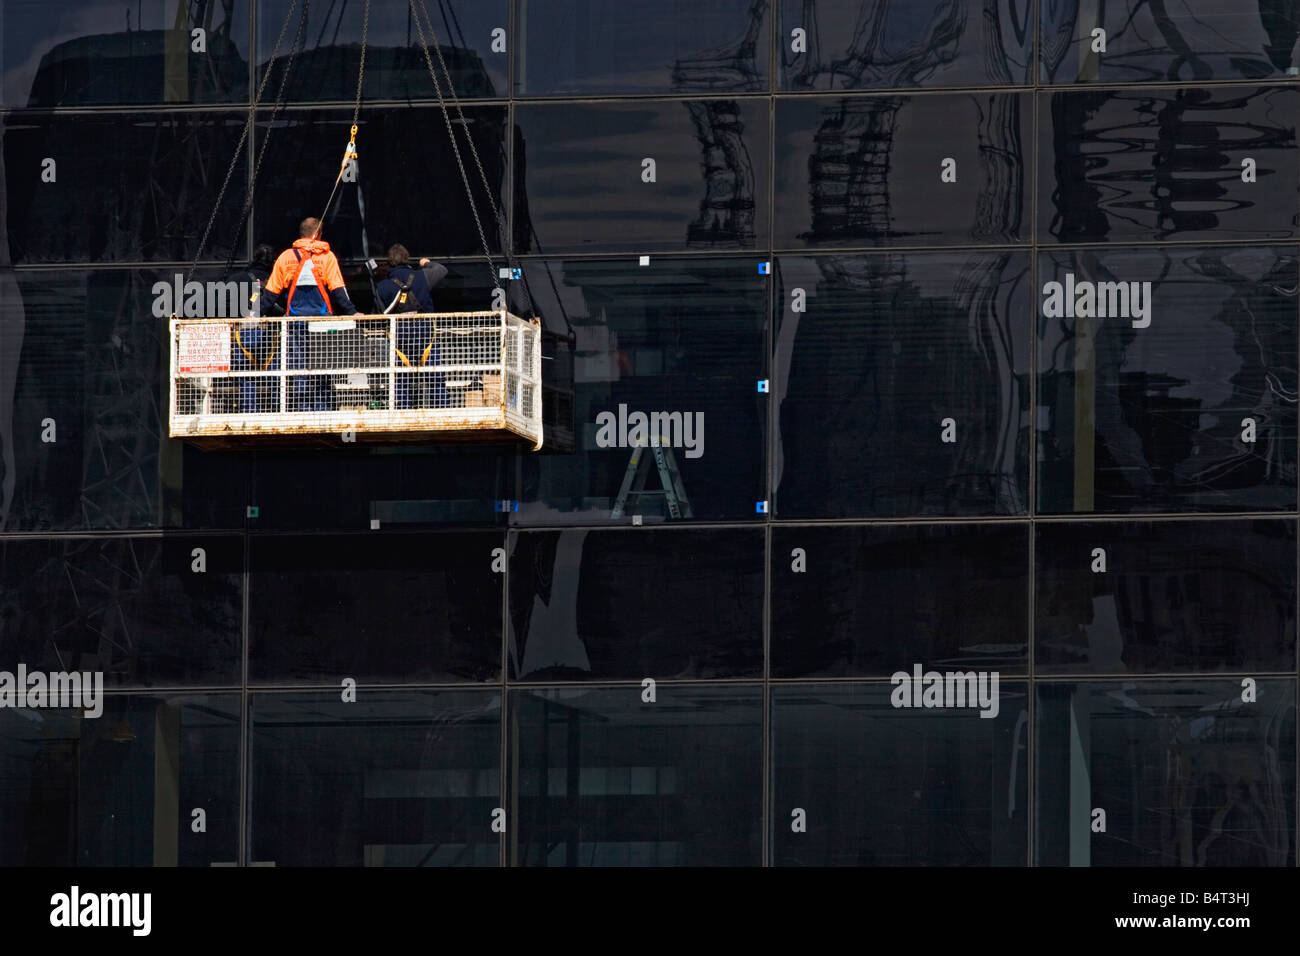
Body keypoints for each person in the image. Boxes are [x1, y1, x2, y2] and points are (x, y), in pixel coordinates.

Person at [261, 218, 358, 412]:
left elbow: (270, 293)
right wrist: (353, 312)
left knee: (298, 368)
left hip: (294, 323)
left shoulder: (286, 257)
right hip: (321, 323)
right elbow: (339, 290)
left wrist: (255, 315)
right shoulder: (327, 257)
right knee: (323, 366)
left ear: (301, 233)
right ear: (318, 235)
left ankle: (301, 410)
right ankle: (323, 409)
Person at [375, 243, 448, 410]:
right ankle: (443, 411)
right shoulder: (422, 276)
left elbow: (379, 314)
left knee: (400, 380)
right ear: (407, 259)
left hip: (399, 334)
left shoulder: (382, 286)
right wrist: (425, 263)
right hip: (425, 332)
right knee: (435, 376)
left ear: (389, 263)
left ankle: (402, 412)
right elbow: (442, 270)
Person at [231, 244, 279, 413]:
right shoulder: (275, 279)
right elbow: (279, 306)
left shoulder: (237, 279)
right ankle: (277, 407)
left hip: (241, 331)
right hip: (267, 332)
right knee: (274, 372)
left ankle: (249, 409)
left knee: (246, 373)